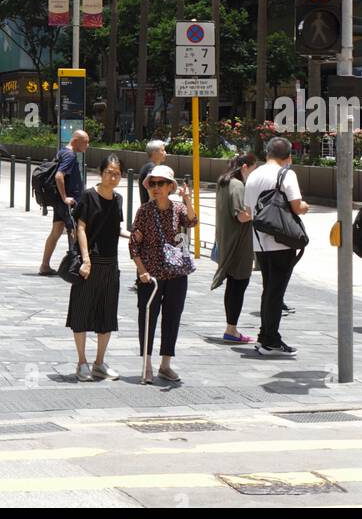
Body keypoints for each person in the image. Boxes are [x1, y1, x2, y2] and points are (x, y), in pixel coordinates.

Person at [129, 164, 198, 383]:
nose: (156, 188)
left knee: (172, 317)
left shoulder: (178, 209)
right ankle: (146, 364)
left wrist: (188, 199)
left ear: (170, 186)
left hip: (177, 273)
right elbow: (134, 246)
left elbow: (193, 221)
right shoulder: (144, 212)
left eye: (161, 184)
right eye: (152, 184)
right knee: (147, 318)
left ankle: (165, 365)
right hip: (151, 276)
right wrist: (142, 272)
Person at [243, 136, 309, 357]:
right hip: (281, 241)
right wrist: (305, 206)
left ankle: (266, 336)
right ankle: (270, 340)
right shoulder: (287, 174)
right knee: (275, 292)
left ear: (267, 153)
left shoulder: (253, 175)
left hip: (259, 242)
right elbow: (297, 206)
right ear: (288, 157)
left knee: (269, 290)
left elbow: (248, 210)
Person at [68, 154, 127, 380]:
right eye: (109, 172)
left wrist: (134, 235)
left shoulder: (118, 199)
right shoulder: (88, 196)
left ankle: (99, 363)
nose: (113, 177)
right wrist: (85, 259)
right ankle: (82, 362)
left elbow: (114, 229)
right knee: (81, 312)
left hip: (111, 264)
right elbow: (80, 228)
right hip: (89, 263)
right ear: (101, 173)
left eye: (117, 173)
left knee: (107, 315)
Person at [211, 151, 258, 343]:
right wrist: (259, 210)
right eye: (253, 171)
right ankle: (231, 329)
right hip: (239, 244)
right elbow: (241, 215)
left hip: (226, 240)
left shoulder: (223, 182)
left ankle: (231, 328)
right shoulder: (238, 185)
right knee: (238, 284)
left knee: (233, 285)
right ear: (245, 167)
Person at [39, 129, 89, 276]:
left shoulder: (62, 152)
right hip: (68, 202)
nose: (87, 145)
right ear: (75, 141)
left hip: (62, 203)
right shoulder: (70, 155)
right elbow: (59, 176)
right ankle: (74, 266)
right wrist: (65, 198)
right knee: (74, 231)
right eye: (85, 142)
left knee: (56, 232)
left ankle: (45, 265)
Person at [137, 139, 169, 206]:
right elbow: (152, 195)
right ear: (154, 153)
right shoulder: (152, 168)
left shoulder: (148, 166)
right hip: (151, 212)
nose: (165, 153)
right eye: (162, 150)